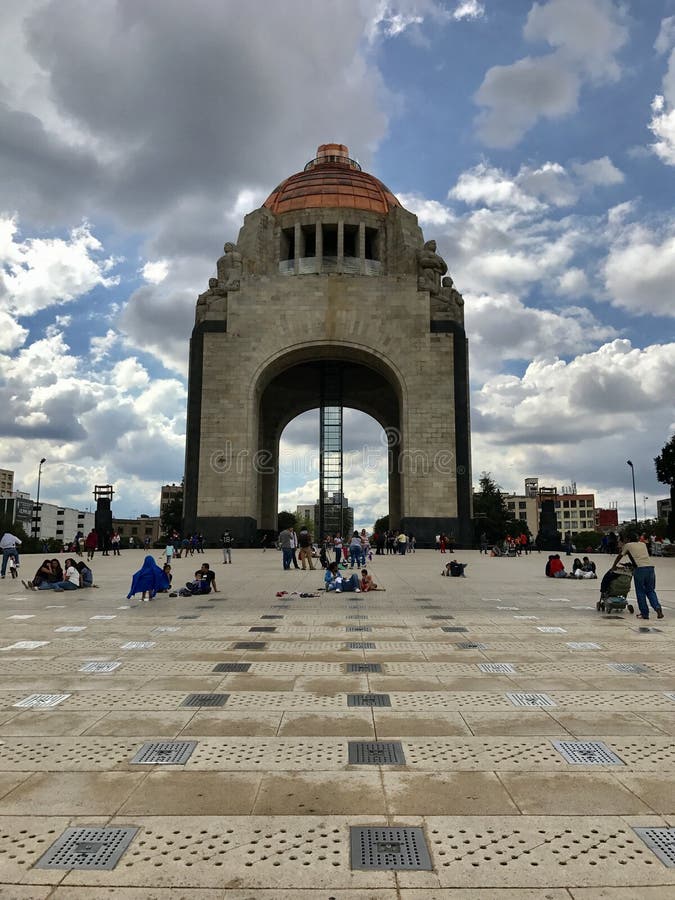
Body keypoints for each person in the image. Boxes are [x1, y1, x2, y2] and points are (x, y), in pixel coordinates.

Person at [612, 532, 664, 620]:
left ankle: (645, 614)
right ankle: (658, 608)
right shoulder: (643, 544)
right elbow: (639, 556)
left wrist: (613, 566)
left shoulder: (627, 545)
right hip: (650, 568)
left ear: (628, 539)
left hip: (640, 570)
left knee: (640, 592)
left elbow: (619, 556)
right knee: (651, 591)